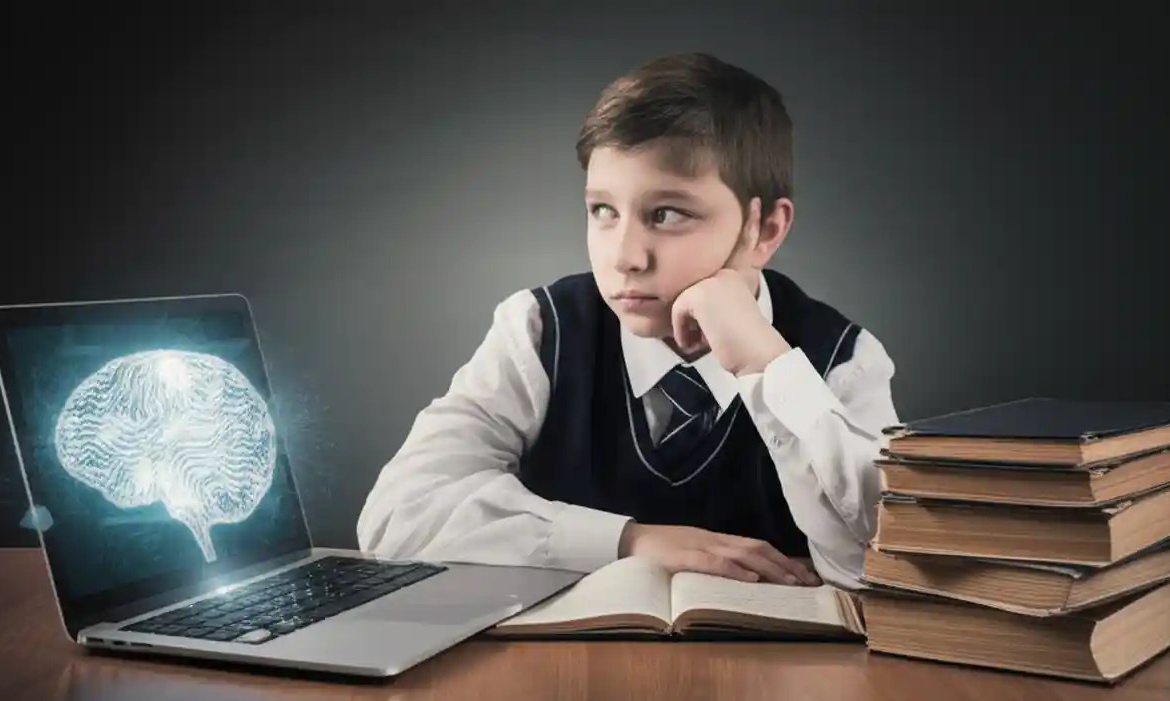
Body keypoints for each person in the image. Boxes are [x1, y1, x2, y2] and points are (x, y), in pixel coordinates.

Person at [356, 52, 899, 590]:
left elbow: (877, 563)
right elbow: (396, 515)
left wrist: (765, 362)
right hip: (559, 673)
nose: (625, 258)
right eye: (603, 212)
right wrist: (629, 541)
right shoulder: (541, 330)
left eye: (667, 214)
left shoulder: (844, 359)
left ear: (765, 230)